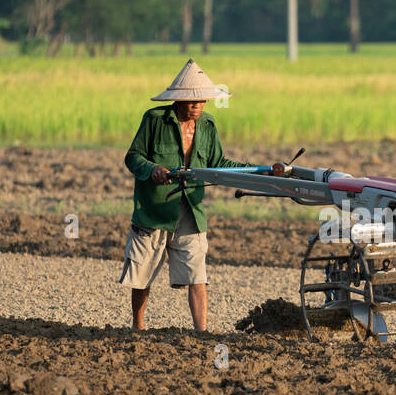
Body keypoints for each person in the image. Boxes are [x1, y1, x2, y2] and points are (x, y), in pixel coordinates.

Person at [118, 59, 279, 331]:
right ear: (178, 100)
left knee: (198, 274)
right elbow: (133, 157)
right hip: (155, 209)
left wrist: (260, 171)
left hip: (191, 208)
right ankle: (138, 326)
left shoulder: (207, 125)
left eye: (202, 101)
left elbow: (219, 164)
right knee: (142, 275)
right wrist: (152, 169)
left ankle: (201, 332)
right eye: (192, 101)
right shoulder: (155, 120)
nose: (197, 106)